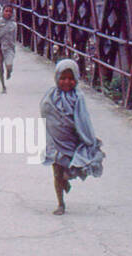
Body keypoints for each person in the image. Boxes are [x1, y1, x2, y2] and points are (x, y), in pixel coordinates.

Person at [41, 58, 104, 215]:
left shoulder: (78, 97)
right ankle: (60, 204)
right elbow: (45, 112)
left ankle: (65, 181)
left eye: (71, 79)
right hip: (55, 142)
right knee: (56, 172)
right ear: (56, 78)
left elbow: (83, 120)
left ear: (76, 79)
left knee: (67, 172)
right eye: (62, 78)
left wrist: (89, 140)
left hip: (71, 141)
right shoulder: (51, 95)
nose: (66, 82)